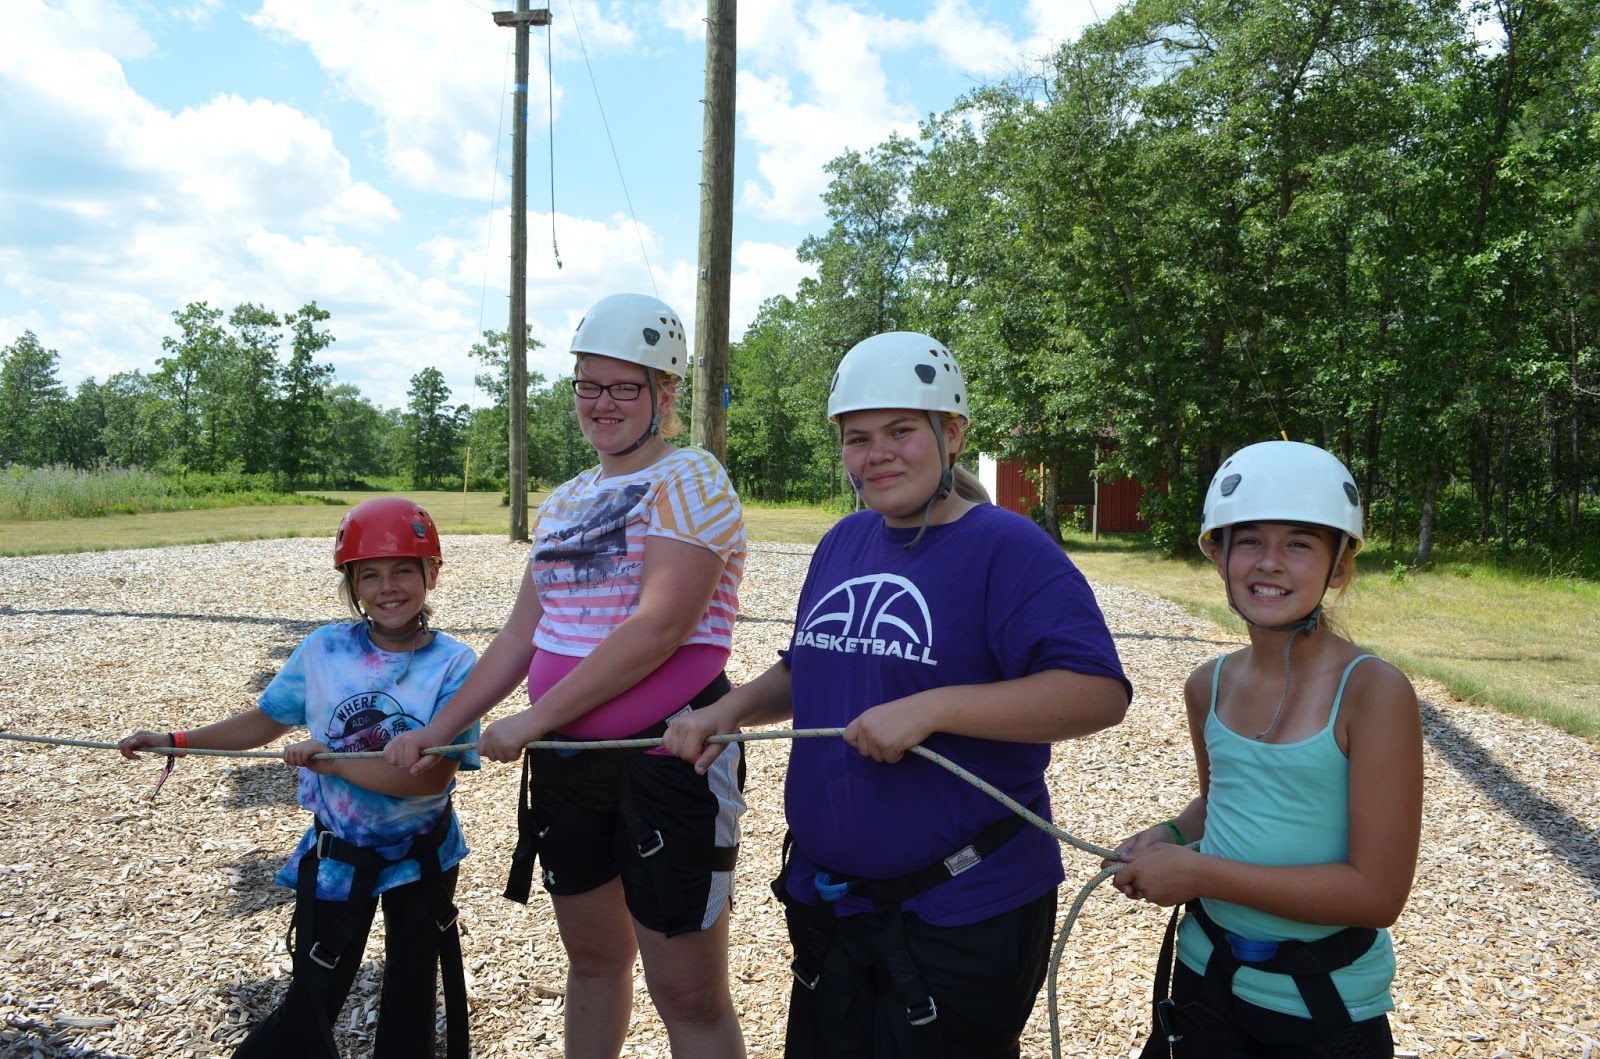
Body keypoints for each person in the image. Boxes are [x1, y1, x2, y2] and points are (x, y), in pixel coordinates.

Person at [664, 331, 1132, 1059]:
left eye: (901, 431)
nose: (877, 453)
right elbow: (813, 665)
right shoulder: (844, 541)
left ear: (952, 434)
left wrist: (933, 708)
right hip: (831, 905)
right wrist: (727, 710)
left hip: (961, 909)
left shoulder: (1007, 548)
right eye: (858, 438)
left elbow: (1097, 691)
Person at [383, 292, 749, 1059]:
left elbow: (660, 626)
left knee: (688, 994)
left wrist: (532, 720)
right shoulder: (566, 500)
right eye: (589, 383)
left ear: (665, 392)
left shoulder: (692, 479)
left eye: (624, 386)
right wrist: (439, 728)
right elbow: (523, 634)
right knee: (594, 960)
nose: (601, 402)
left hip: (668, 757)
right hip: (565, 765)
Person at [118, 497, 481, 1059]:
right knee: (313, 999)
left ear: (432, 573)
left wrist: (329, 761)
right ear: (352, 583)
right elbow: (265, 721)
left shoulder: (455, 666)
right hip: (339, 856)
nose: (388, 587)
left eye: (404, 570)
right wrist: (177, 741)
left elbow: (428, 782)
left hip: (423, 859)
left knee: (411, 1001)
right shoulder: (323, 650)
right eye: (370, 575)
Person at [1108, 440, 1423, 1059]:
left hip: (1320, 1003)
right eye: (1249, 540)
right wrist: (1172, 832)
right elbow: (1220, 801)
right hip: (1205, 977)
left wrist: (1198, 872)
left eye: (1300, 544)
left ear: (1338, 567)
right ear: (1218, 556)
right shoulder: (1209, 685)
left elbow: (1378, 894)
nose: (1270, 563)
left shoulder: (1372, 693)